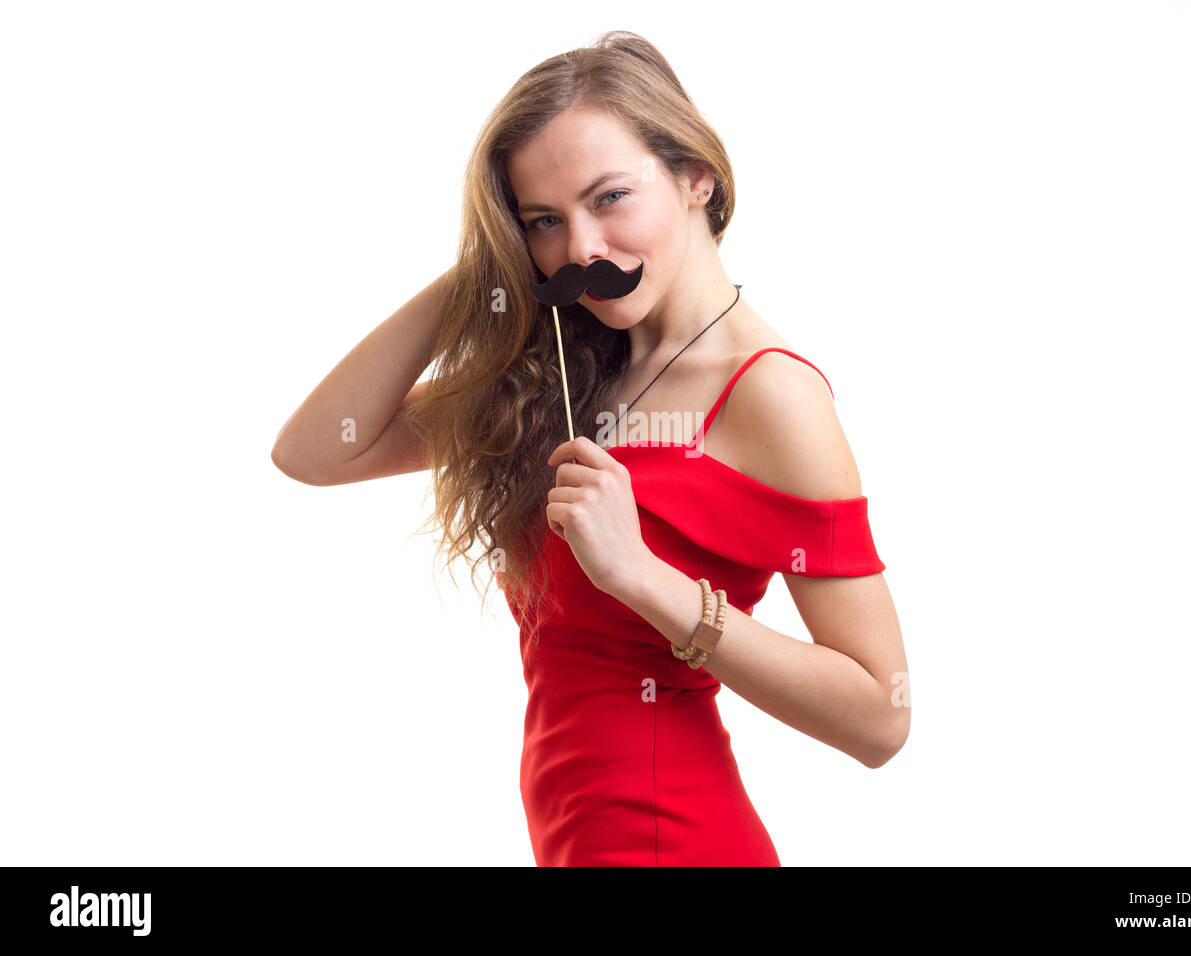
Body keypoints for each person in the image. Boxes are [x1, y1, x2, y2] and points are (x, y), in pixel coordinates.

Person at [272, 30, 908, 866]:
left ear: (695, 176)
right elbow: (319, 451)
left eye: (610, 197)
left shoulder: (771, 394)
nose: (581, 251)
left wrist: (643, 578)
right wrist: (483, 268)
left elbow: (880, 718)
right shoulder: (564, 374)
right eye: (545, 220)